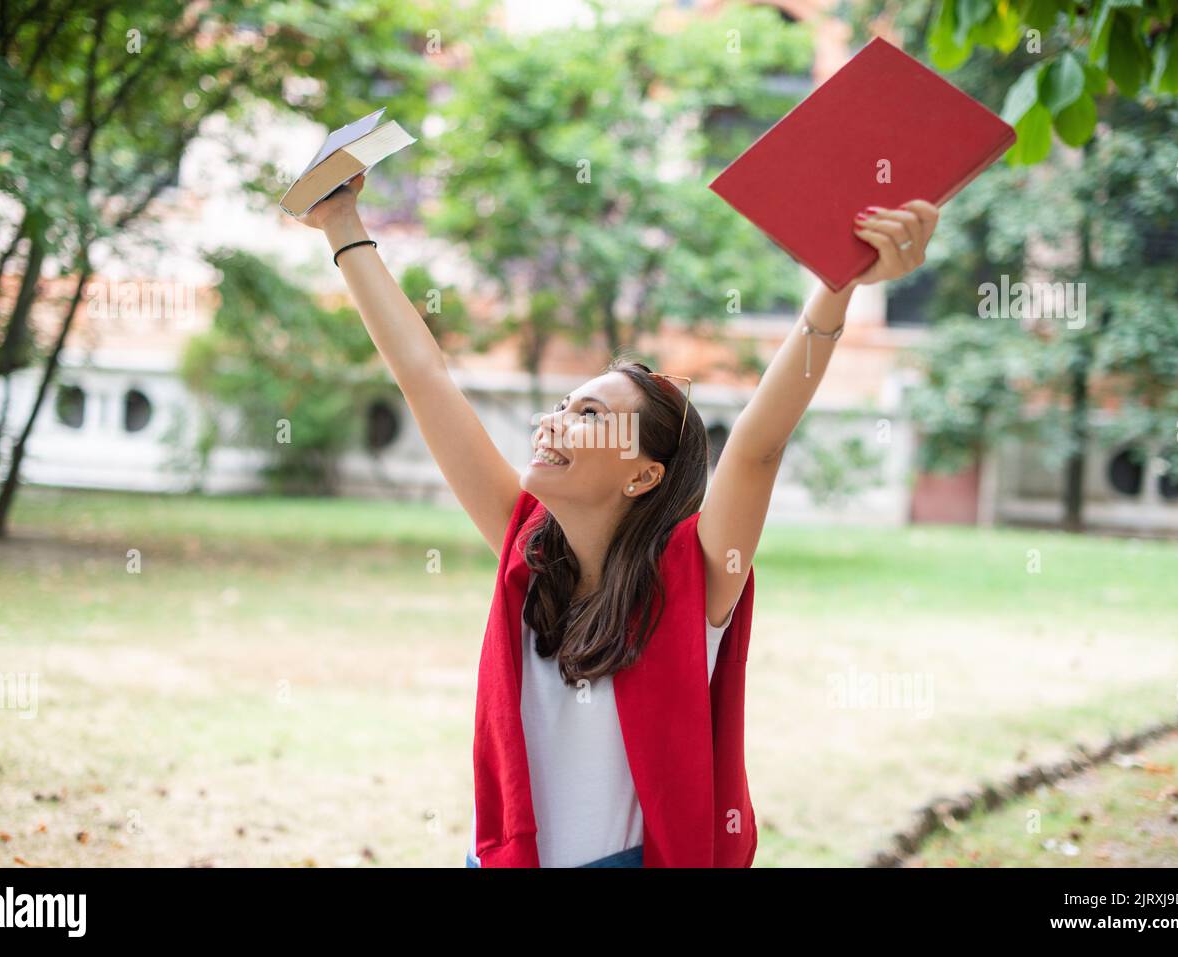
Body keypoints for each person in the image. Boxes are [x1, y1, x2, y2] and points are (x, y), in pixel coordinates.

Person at [301, 175, 938, 866]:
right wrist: (342, 221)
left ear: (643, 474)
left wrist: (838, 285)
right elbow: (423, 377)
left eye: (590, 416)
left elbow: (758, 443)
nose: (555, 422)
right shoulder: (527, 550)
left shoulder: (695, 581)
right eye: (565, 405)